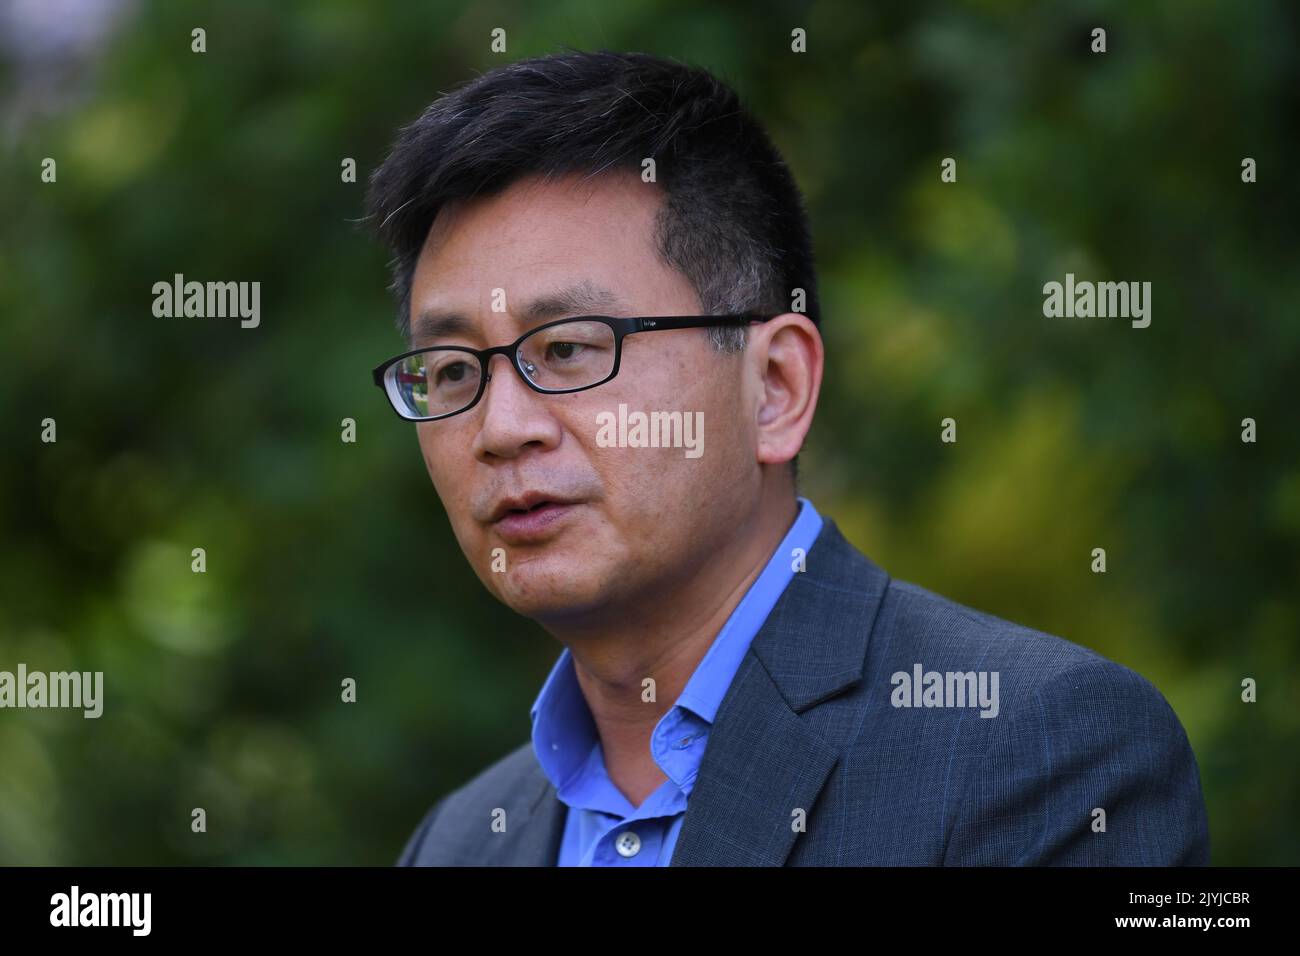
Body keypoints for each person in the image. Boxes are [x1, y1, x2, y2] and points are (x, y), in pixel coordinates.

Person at [364, 49, 1210, 866]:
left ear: (774, 388)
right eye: (452, 370)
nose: (502, 426)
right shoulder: (462, 842)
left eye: (572, 349)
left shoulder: (1039, 752)